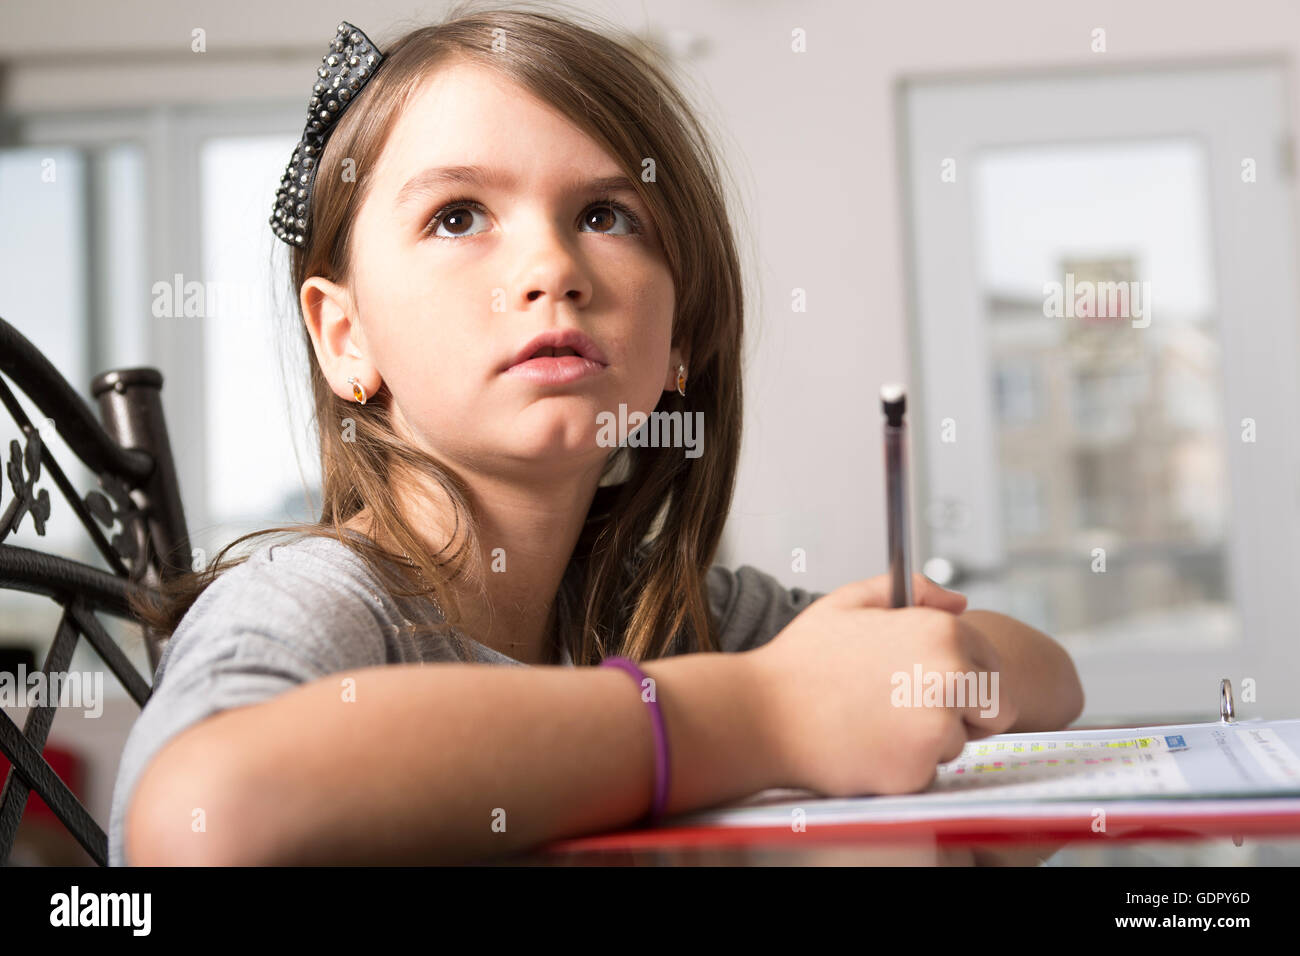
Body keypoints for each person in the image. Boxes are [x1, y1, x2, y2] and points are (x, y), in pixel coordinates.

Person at [111, 3, 1083, 866]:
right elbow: (206, 815)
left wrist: (920, 671)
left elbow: (1050, 676)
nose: (549, 266)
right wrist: (759, 715)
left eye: (606, 214)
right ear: (344, 334)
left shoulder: (663, 611)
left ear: (678, 344)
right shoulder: (319, 604)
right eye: (457, 216)